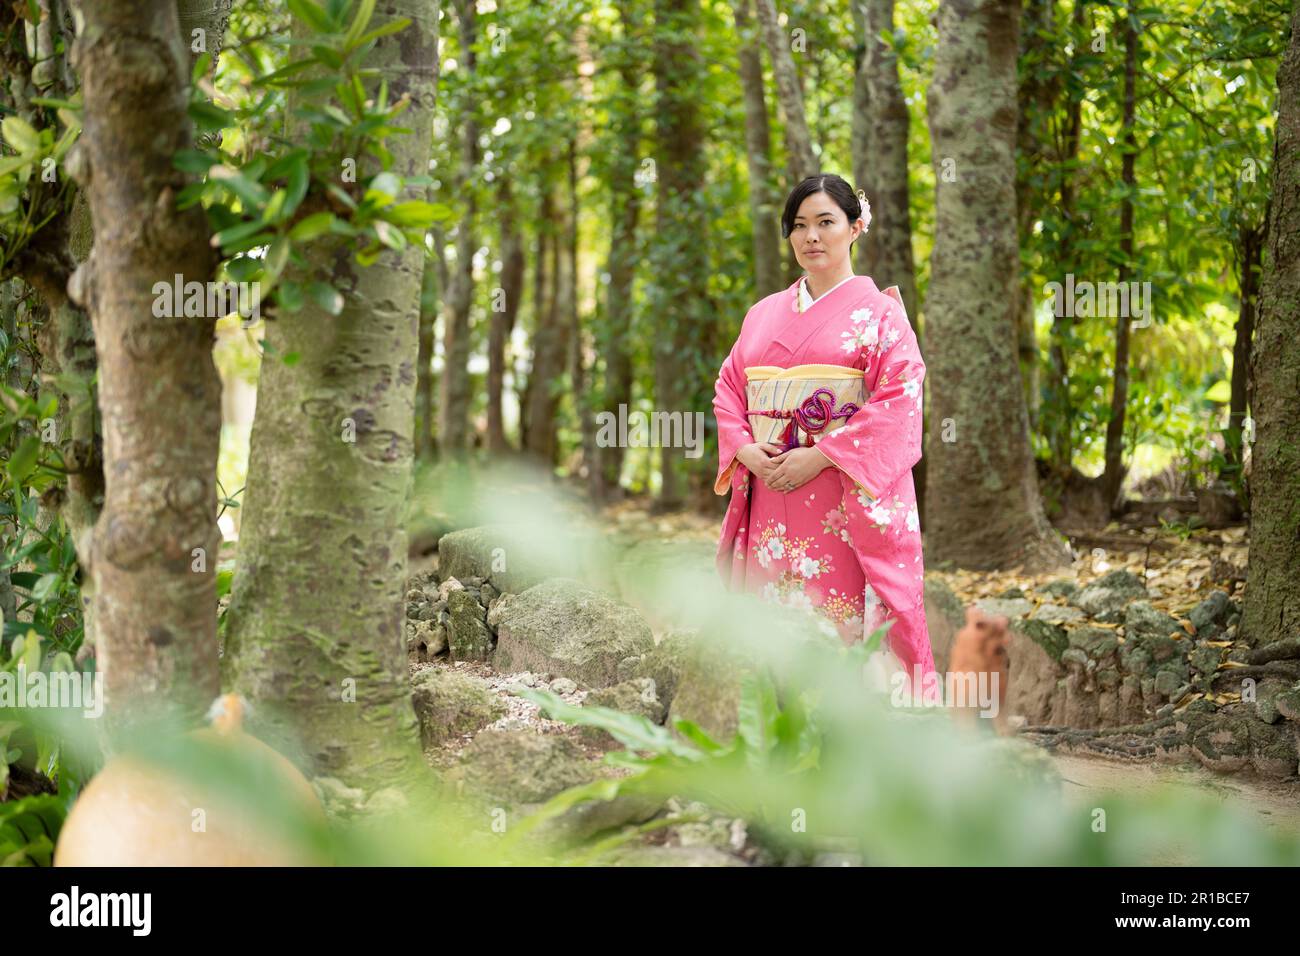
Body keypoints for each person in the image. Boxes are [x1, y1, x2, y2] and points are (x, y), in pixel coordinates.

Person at [712, 172, 936, 693]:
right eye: (799, 226)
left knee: (842, 622)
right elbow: (729, 387)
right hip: (770, 488)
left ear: (856, 227)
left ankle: (857, 737)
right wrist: (745, 447)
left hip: (841, 493)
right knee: (772, 627)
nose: (811, 236)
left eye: (826, 222)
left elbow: (900, 398)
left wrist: (822, 456)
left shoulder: (882, 316)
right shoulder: (762, 315)